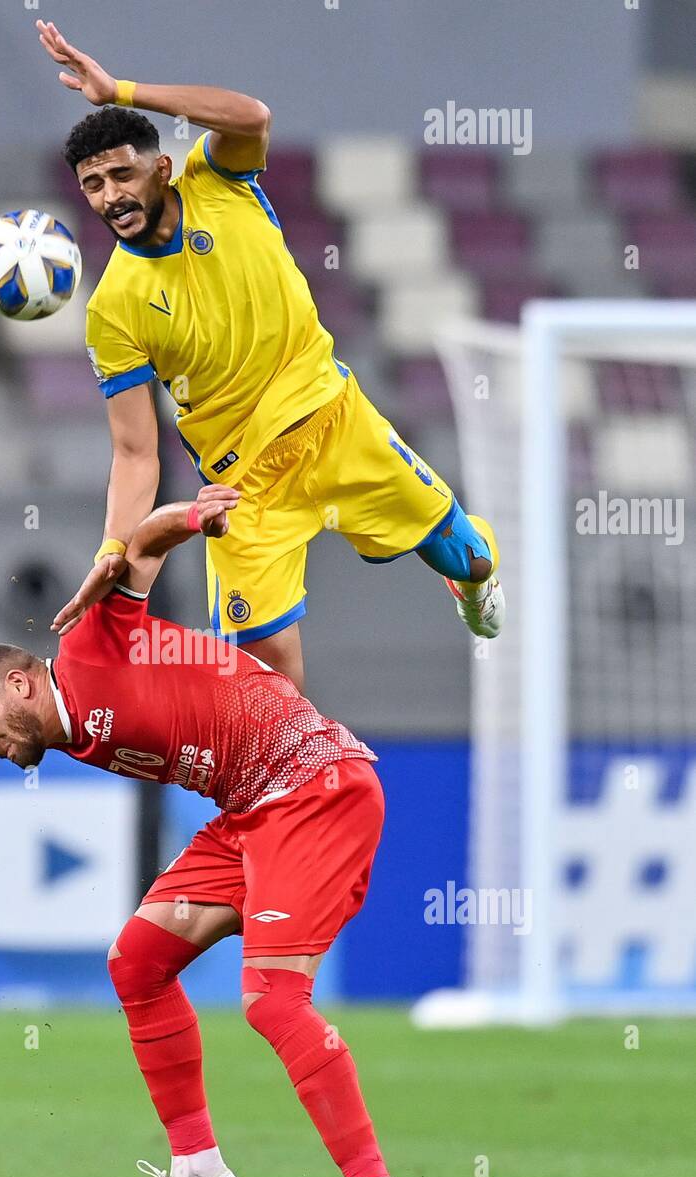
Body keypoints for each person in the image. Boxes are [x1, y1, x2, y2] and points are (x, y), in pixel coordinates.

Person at [0, 484, 427, 1177]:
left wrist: (188, 520)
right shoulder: (52, 728)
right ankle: (199, 1171)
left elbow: (140, 549)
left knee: (273, 1000)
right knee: (136, 961)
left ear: (23, 684)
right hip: (249, 812)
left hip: (313, 788)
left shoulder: (91, 647)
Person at [36, 18, 503, 692]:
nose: (110, 195)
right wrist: (115, 546)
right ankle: (302, 789)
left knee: (473, 558)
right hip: (243, 490)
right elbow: (136, 452)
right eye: (92, 185)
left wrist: (123, 90)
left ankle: (468, 584)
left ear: (161, 167)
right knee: (269, 681)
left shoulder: (217, 181)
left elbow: (251, 114)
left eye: (120, 174)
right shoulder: (112, 309)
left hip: (336, 422)